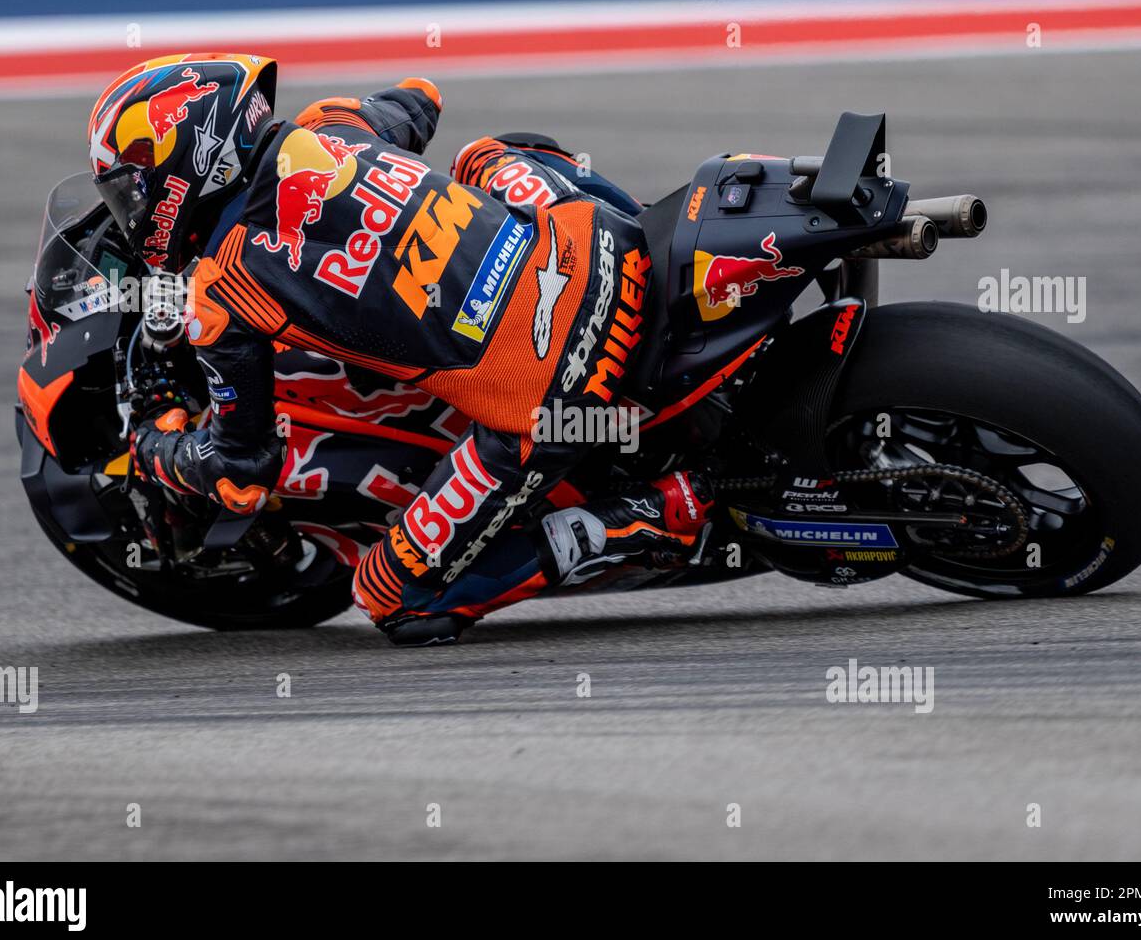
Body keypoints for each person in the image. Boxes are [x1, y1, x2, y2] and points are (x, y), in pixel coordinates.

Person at [90, 53, 712, 645]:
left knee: (390, 596)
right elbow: (421, 98)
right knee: (487, 154)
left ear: (182, 161)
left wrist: (150, 444)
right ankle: (667, 268)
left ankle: (656, 513)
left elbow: (241, 476)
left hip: (551, 394)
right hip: (597, 243)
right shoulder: (329, 124)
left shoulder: (222, 292)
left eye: (130, 189)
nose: (131, 212)